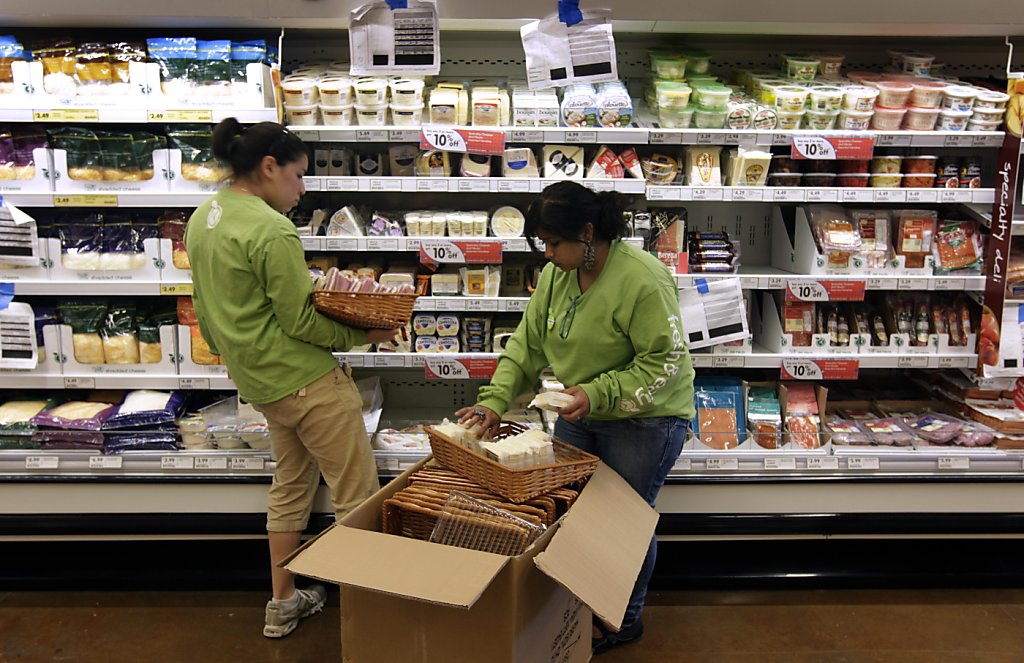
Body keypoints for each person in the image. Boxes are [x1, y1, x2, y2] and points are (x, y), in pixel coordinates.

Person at [456, 181, 695, 655]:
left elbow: (663, 363)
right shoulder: (556, 277)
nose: (547, 254)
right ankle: (581, 603)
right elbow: (525, 345)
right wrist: (493, 400)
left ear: (588, 233)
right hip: (580, 411)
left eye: (554, 243)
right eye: (541, 243)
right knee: (569, 512)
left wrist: (598, 390)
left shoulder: (642, 279)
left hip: (646, 418)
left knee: (623, 519)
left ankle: (623, 619)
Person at [185, 118, 397, 639]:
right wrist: (365, 333)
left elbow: (207, 312)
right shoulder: (272, 228)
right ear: (268, 167)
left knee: (292, 483)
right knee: (356, 494)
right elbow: (301, 321)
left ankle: (282, 601)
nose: (302, 190)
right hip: (308, 381)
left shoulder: (203, 216)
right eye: (299, 176)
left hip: (262, 384)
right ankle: (369, 616)